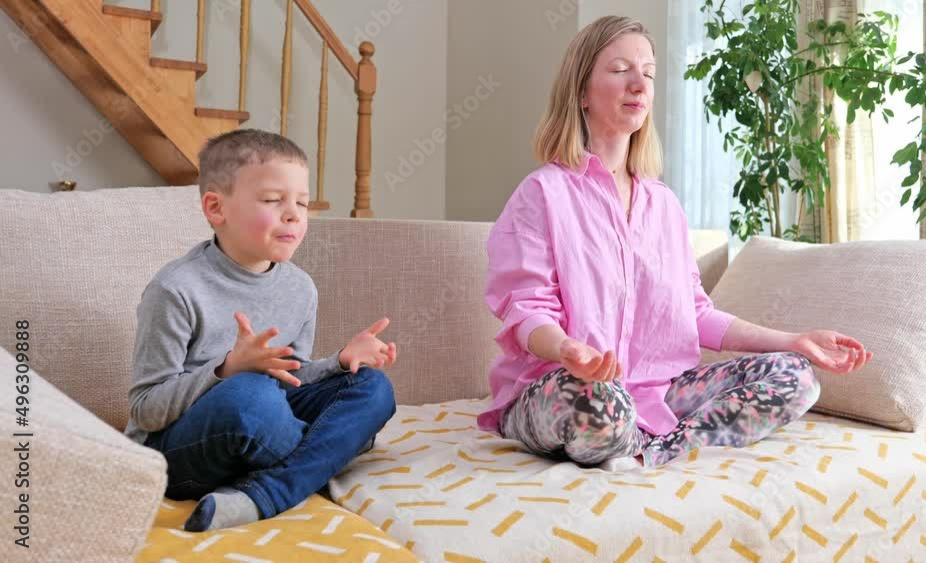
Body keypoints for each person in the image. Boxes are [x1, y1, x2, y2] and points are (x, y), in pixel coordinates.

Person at [479, 16, 872, 468]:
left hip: (656, 393)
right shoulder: (542, 194)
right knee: (596, 401)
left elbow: (695, 313)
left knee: (794, 376)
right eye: (620, 70)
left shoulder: (663, 204)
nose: (638, 84)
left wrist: (793, 340)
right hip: (562, 389)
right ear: (582, 92)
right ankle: (622, 436)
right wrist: (567, 349)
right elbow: (526, 310)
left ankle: (649, 451)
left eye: (647, 74)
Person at [123, 129, 399, 531]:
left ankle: (259, 495)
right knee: (249, 394)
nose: (293, 214)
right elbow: (146, 410)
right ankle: (331, 449)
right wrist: (226, 369)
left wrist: (340, 362)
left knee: (371, 387)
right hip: (179, 449)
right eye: (273, 200)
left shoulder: (300, 287)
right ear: (216, 208)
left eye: (301, 203)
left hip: (265, 422)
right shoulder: (175, 290)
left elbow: (290, 379)